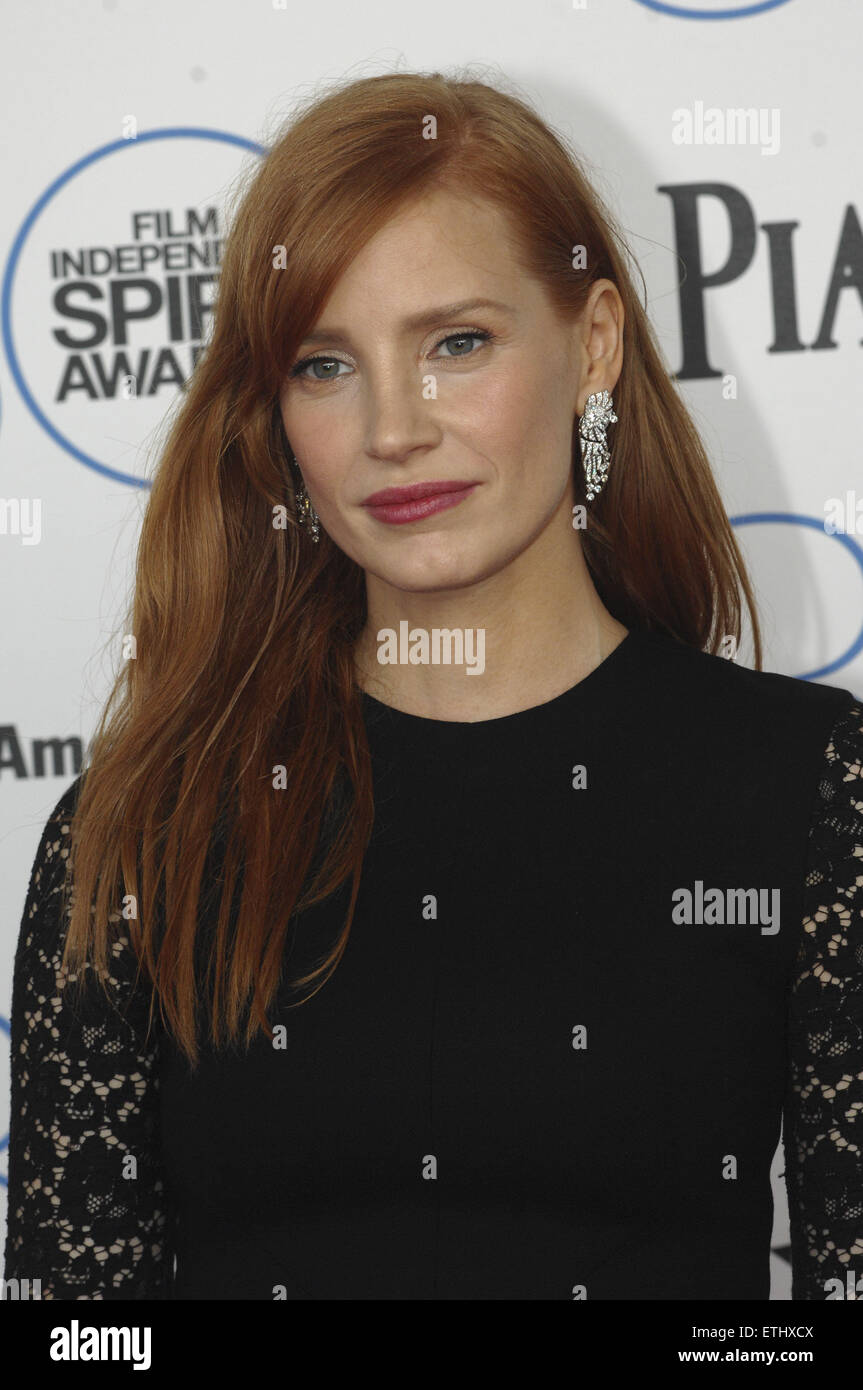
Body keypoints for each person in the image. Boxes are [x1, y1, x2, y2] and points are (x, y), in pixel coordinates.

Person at [4, 70, 862, 1301]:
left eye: (456, 343)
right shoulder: (141, 831)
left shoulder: (806, 790)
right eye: (322, 364)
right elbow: (76, 1329)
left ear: (594, 346)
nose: (392, 428)